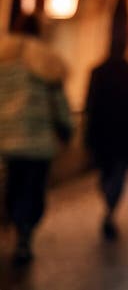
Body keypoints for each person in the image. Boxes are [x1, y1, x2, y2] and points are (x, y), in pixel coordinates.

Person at [0, 15, 73, 265]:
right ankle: (24, 233)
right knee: (34, 190)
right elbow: (60, 104)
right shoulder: (46, 61)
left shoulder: (3, 57)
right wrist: (66, 128)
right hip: (39, 142)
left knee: (14, 185)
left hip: (8, 140)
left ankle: (16, 225)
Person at [84, 27, 128, 240]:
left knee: (106, 171)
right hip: (124, 132)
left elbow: (89, 104)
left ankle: (109, 204)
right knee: (118, 172)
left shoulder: (97, 71)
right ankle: (111, 206)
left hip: (102, 131)